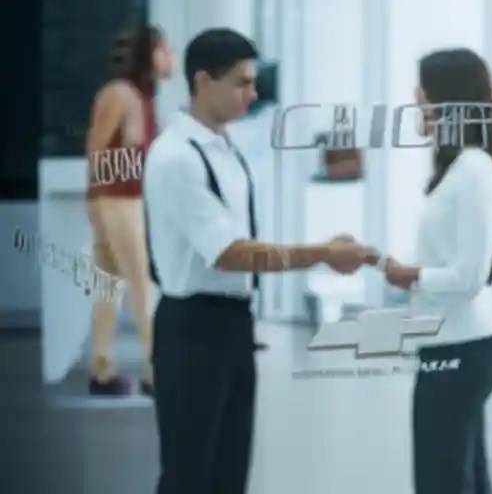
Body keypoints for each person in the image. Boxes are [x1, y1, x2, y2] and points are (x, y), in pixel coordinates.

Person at [143, 28, 376, 494]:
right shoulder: (177, 157)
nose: (252, 94)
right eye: (242, 83)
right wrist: (324, 254)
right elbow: (230, 252)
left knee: (229, 472)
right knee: (190, 474)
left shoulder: (223, 147)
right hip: (192, 329)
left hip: (231, 325)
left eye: (253, 82)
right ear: (203, 81)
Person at [379, 48, 492, 494]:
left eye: (423, 95)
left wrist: (410, 275)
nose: (416, 101)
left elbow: (470, 276)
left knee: (443, 478)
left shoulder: (475, 170)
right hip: (451, 343)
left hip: (464, 346)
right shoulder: (458, 167)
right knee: (463, 474)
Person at [84, 24, 173, 397]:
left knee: (110, 286)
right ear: (146, 54)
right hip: (118, 201)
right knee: (142, 285)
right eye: (164, 50)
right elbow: (96, 148)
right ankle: (158, 371)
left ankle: (102, 371)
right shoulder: (122, 94)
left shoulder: (140, 96)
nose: (171, 58)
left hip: (120, 199)